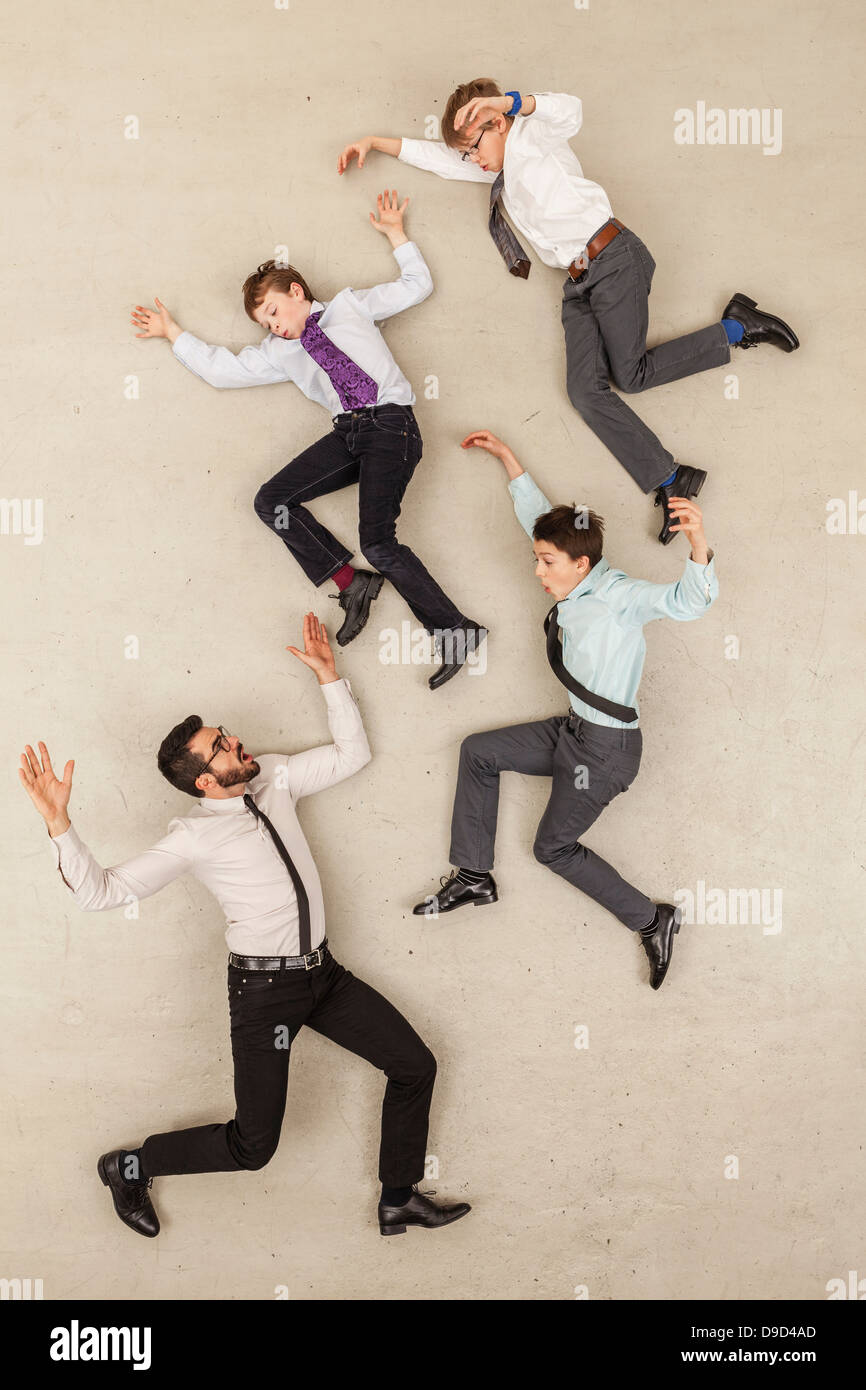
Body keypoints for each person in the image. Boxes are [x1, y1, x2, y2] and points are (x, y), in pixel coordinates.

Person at [18, 615, 471, 1239]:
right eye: (222, 747)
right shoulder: (194, 837)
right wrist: (59, 824)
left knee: (414, 1065)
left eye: (227, 735)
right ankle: (128, 1165)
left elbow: (352, 755)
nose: (237, 743)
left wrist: (330, 680)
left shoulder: (276, 775)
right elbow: (104, 893)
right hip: (265, 996)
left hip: (325, 977)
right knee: (253, 1146)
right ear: (205, 780)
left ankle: (398, 1199)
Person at [337, 84, 799, 544]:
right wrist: (377, 143)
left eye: (475, 147)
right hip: (578, 283)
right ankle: (669, 477)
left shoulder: (533, 137)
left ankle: (737, 327)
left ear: (498, 123)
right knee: (584, 391)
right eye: (468, 154)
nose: (473, 160)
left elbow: (571, 110)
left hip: (614, 257)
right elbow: (440, 158)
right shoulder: (500, 169)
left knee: (631, 376)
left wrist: (511, 103)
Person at [131, 190, 486, 689]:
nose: (274, 326)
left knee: (379, 542)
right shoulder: (280, 352)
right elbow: (224, 371)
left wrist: (396, 234)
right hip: (349, 434)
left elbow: (416, 285)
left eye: (275, 311)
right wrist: (175, 334)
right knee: (271, 500)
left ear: (297, 292)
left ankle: (455, 630)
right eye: (265, 323)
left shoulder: (350, 307)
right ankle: (350, 581)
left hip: (390, 426)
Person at [411, 432, 720, 990]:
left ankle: (653, 919)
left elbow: (687, 601)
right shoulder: (573, 572)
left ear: (581, 564)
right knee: (478, 752)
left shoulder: (619, 596)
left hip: (605, 752)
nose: (538, 572)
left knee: (552, 849)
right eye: (538, 559)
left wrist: (698, 544)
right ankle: (475, 876)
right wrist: (509, 460)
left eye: (547, 563)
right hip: (572, 732)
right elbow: (539, 521)